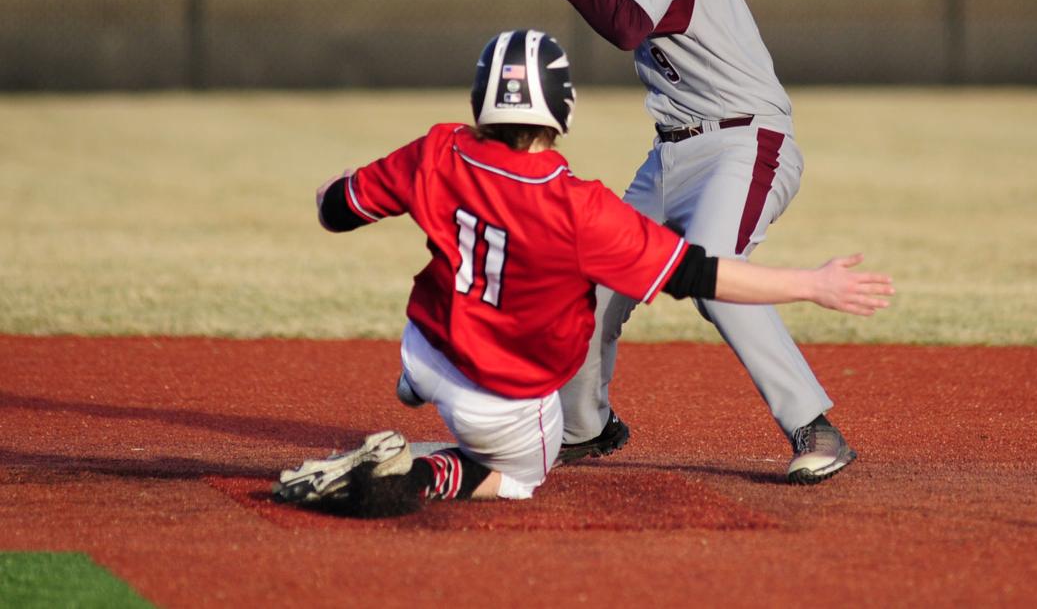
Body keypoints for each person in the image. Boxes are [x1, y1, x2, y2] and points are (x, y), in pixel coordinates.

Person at [272, 29, 892, 516]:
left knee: (447, 318)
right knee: (520, 475)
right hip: (500, 400)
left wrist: (334, 190)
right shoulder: (581, 209)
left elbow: (337, 208)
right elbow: (700, 275)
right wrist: (811, 284)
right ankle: (413, 476)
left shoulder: (438, 149)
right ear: (562, 106)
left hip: (425, 347)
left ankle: (418, 382)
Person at [515, 0, 864, 485]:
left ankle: (813, 426)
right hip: (671, 154)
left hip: (742, 141)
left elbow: (627, 25)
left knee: (715, 275)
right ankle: (585, 427)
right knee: (587, 277)